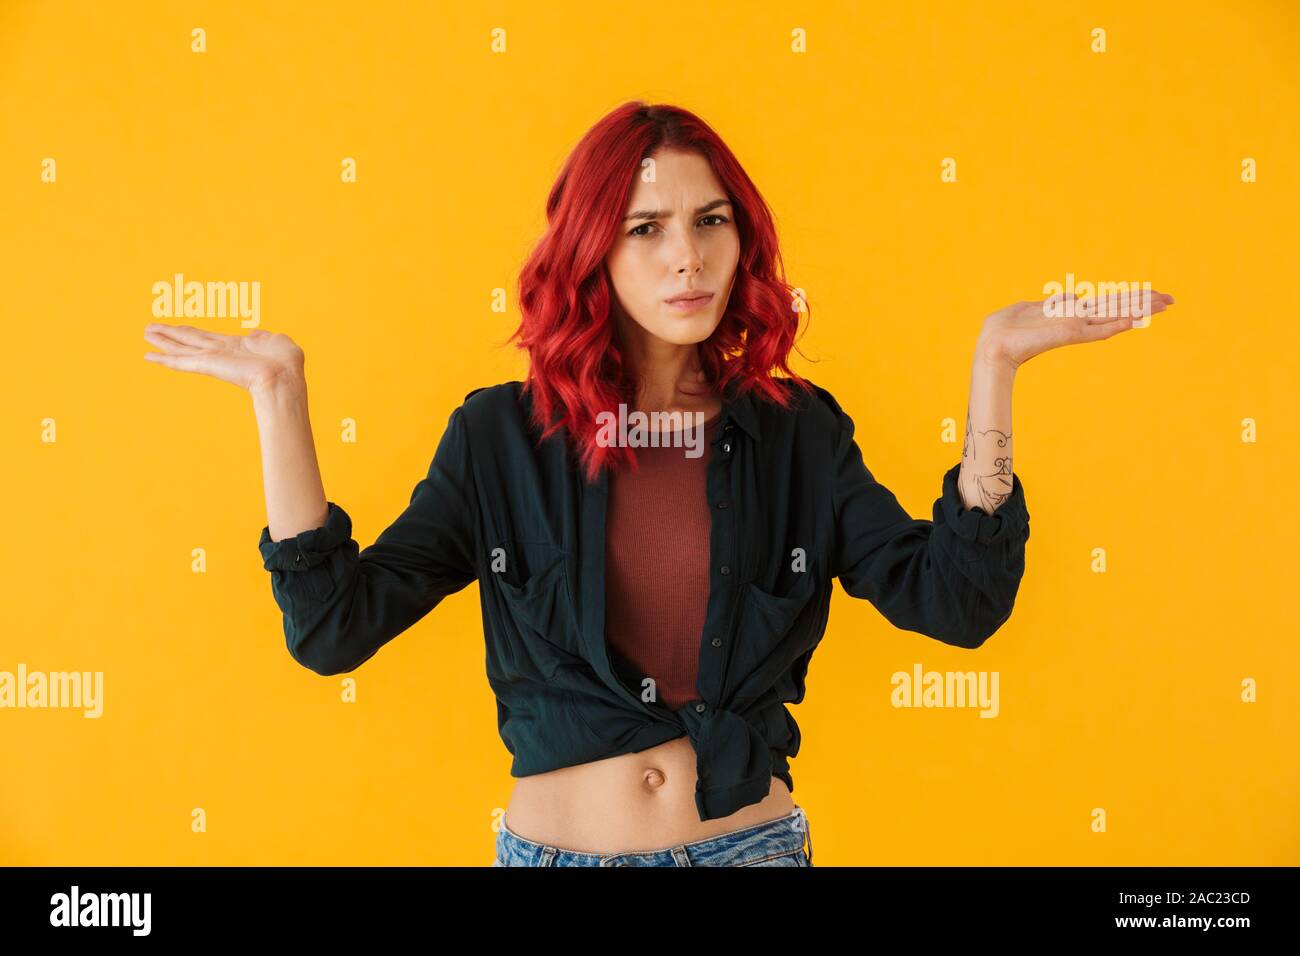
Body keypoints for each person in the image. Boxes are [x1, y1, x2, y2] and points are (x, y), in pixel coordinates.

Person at [142, 101, 1174, 867]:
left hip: (748, 848)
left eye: (710, 220)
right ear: (593, 250)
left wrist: (993, 367)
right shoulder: (499, 438)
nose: (687, 257)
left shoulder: (795, 435)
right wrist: (278, 396)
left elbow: (954, 602)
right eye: (646, 228)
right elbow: (334, 627)